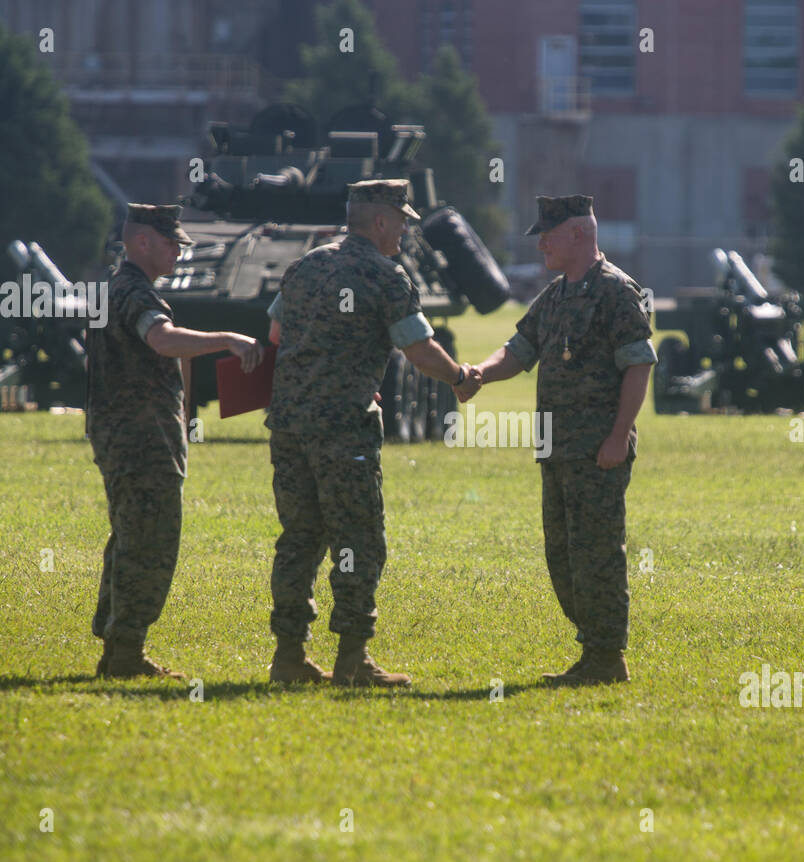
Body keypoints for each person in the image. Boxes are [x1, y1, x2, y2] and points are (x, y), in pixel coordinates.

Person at [265, 179, 480, 687]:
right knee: (357, 539)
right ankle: (352, 659)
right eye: (402, 220)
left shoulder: (305, 265)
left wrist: (342, 365)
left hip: (290, 424)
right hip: (343, 429)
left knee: (299, 537)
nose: (406, 230)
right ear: (379, 221)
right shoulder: (386, 276)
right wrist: (458, 379)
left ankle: (289, 656)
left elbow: (276, 335)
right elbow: (420, 351)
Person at [471, 195, 656, 685]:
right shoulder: (555, 295)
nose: (541, 244)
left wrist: (618, 436)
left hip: (598, 450)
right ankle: (591, 648)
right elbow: (517, 350)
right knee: (563, 554)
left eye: (549, 235)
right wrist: (477, 374)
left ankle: (607, 657)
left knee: (597, 550)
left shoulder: (616, 292)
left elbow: (638, 365)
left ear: (579, 233)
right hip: (555, 447)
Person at [88, 203, 264, 678]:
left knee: (131, 533)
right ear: (141, 241)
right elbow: (163, 342)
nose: (178, 254)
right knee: (151, 538)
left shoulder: (116, 287)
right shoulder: (135, 292)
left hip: (128, 431)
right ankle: (125, 650)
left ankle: (117, 642)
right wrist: (229, 338)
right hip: (140, 436)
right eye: (170, 244)